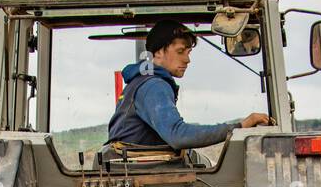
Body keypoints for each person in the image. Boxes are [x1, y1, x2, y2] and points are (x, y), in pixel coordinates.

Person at [106, 20, 270, 158]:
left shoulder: (141, 81)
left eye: (188, 52)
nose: (187, 59)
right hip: (140, 172)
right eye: (180, 51)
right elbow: (178, 135)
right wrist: (239, 126)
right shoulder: (153, 85)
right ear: (158, 52)